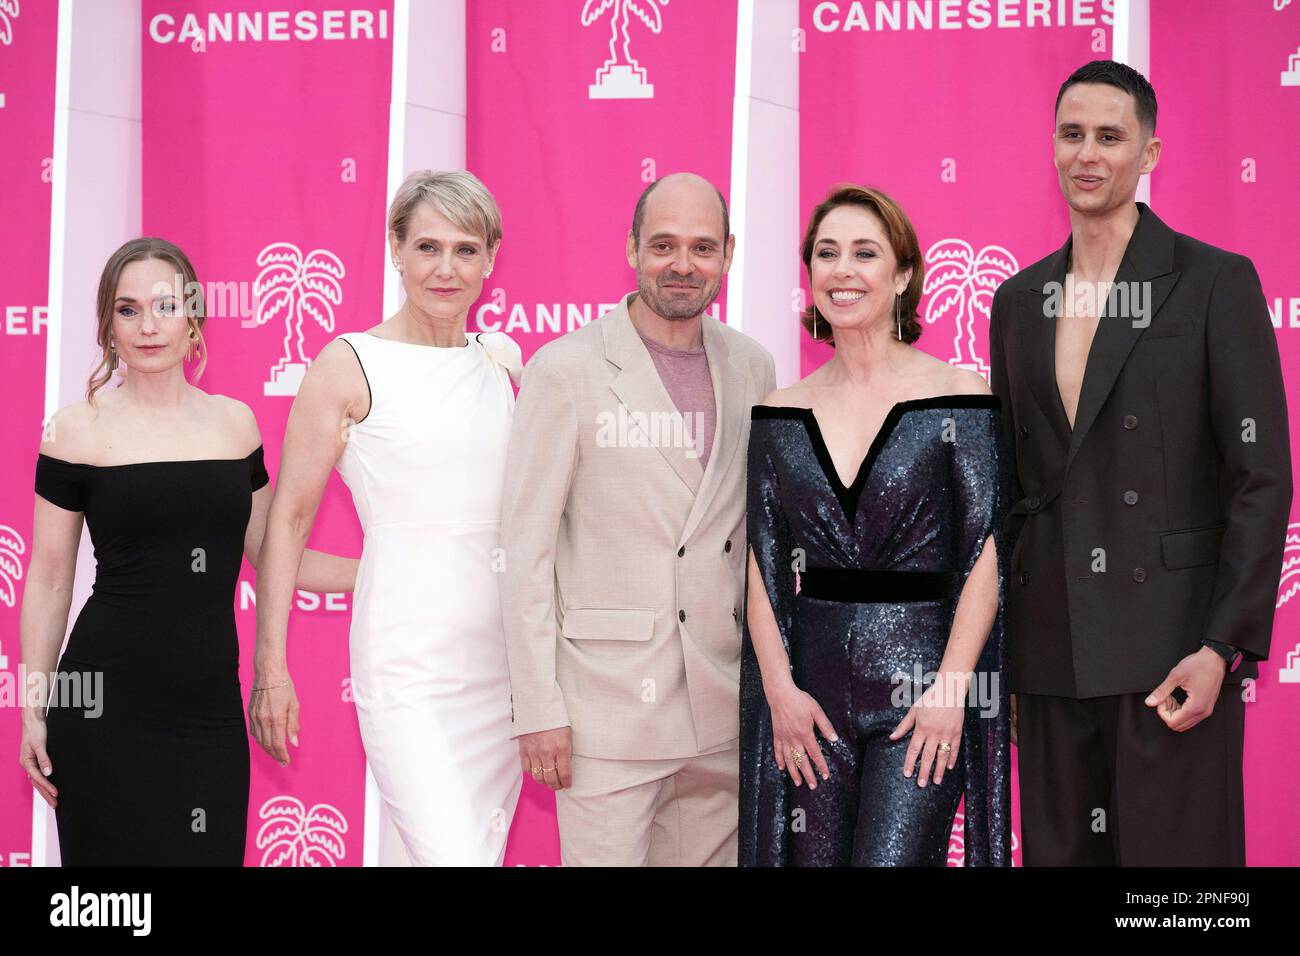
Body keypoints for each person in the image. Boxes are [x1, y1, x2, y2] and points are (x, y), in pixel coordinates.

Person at [989, 60, 1292, 866]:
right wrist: (1009, 655)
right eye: (1072, 134)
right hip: (1053, 658)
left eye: (1110, 137)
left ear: (1149, 154)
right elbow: (1011, 491)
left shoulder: (1214, 282)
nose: (1087, 155)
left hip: (1172, 653)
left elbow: (1260, 479)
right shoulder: (1018, 303)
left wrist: (1221, 645)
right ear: (1052, 147)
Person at [19, 237, 357, 865]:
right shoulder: (74, 430)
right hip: (102, 710)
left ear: (194, 317)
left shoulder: (234, 424)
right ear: (106, 325)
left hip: (206, 714)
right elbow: (47, 578)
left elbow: (274, 553)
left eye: (165, 306)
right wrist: (34, 708)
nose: (148, 325)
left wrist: (392, 569)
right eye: (128, 310)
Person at [500, 172, 776, 866]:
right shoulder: (565, 369)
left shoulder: (753, 367)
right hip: (606, 714)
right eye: (663, 245)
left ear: (728, 254)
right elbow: (524, 552)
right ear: (631, 248)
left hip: (718, 709)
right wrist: (539, 709)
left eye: (702, 248)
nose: (682, 265)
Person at [250, 170, 524, 866]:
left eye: (466, 250)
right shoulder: (349, 364)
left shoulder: (500, 364)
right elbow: (287, 521)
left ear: (491, 260)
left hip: (502, 672)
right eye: (427, 246)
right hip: (408, 669)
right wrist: (271, 665)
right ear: (395, 251)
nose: (446, 268)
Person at [740, 185, 1013, 866]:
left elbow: (987, 551)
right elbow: (761, 559)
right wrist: (780, 690)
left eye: (865, 253)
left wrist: (952, 689)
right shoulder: (780, 410)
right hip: (812, 691)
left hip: (922, 686)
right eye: (826, 253)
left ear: (902, 276)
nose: (843, 269)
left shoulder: (960, 394)